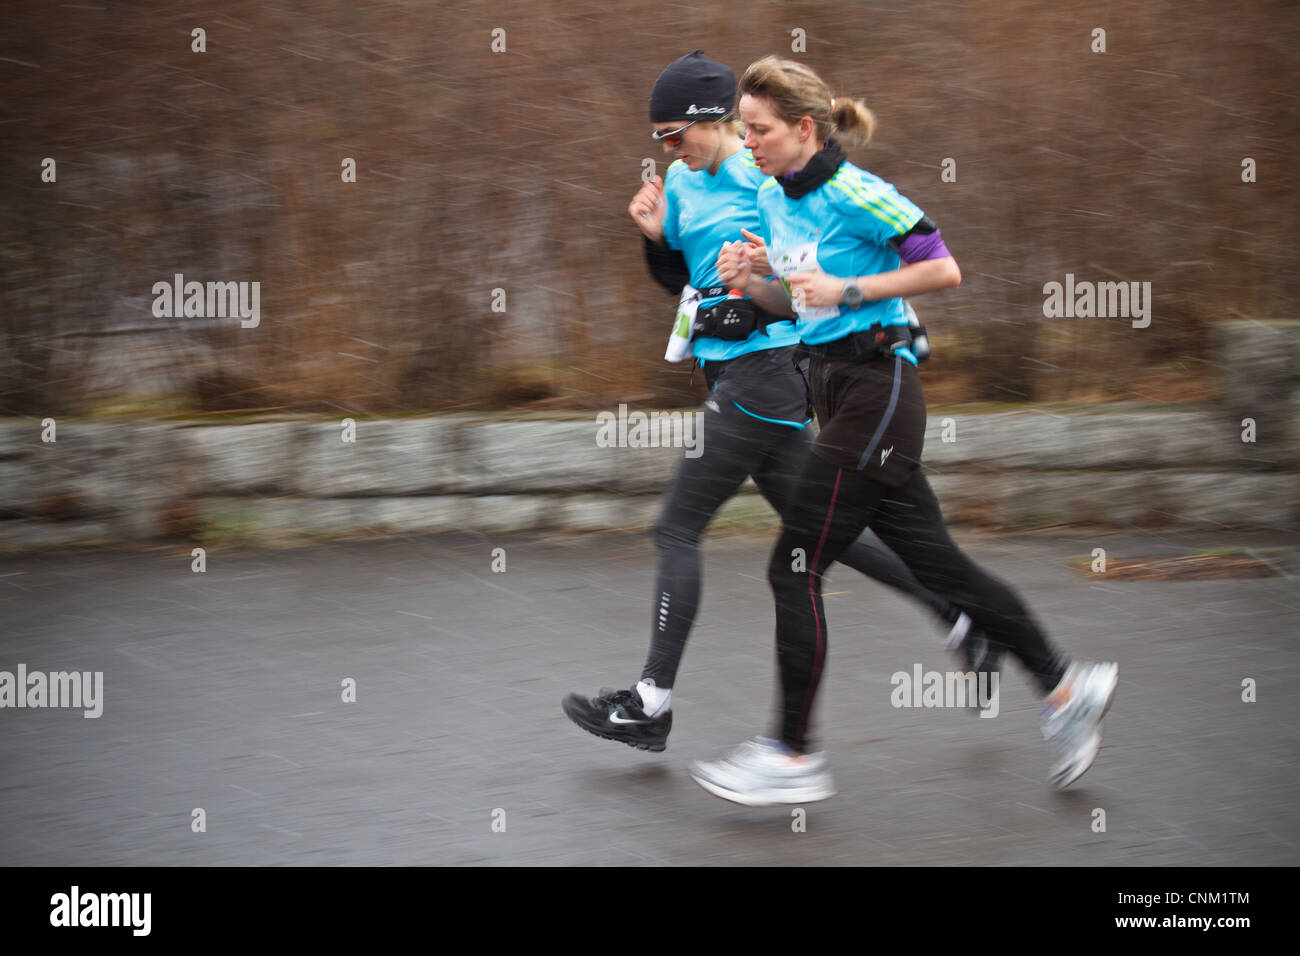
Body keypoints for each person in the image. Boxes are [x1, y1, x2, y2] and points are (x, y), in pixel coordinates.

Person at [690, 56, 1118, 806]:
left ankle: (792, 756)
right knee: (944, 570)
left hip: (878, 393)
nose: (745, 142)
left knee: (793, 565)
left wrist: (852, 287)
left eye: (756, 130)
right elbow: (797, 302)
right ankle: (1065, 688)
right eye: (740, 130)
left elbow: (942, 269)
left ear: (804, 127)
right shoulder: (771, 193)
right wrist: (749, 280)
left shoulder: (859, 193)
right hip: (833, 387)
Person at [562, 52, 1000, 755]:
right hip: (724, 370)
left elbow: (806, 267)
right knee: (827, 533)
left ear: (721, 122)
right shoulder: (680, 178)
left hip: (766, 373)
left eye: (679, 134)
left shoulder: (758, 175)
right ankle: (960, 616)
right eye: (661, 140)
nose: (671, 150)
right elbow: (680, 274)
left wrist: (840, 295)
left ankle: (650, 701)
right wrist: (652, 235)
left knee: (675, 528)